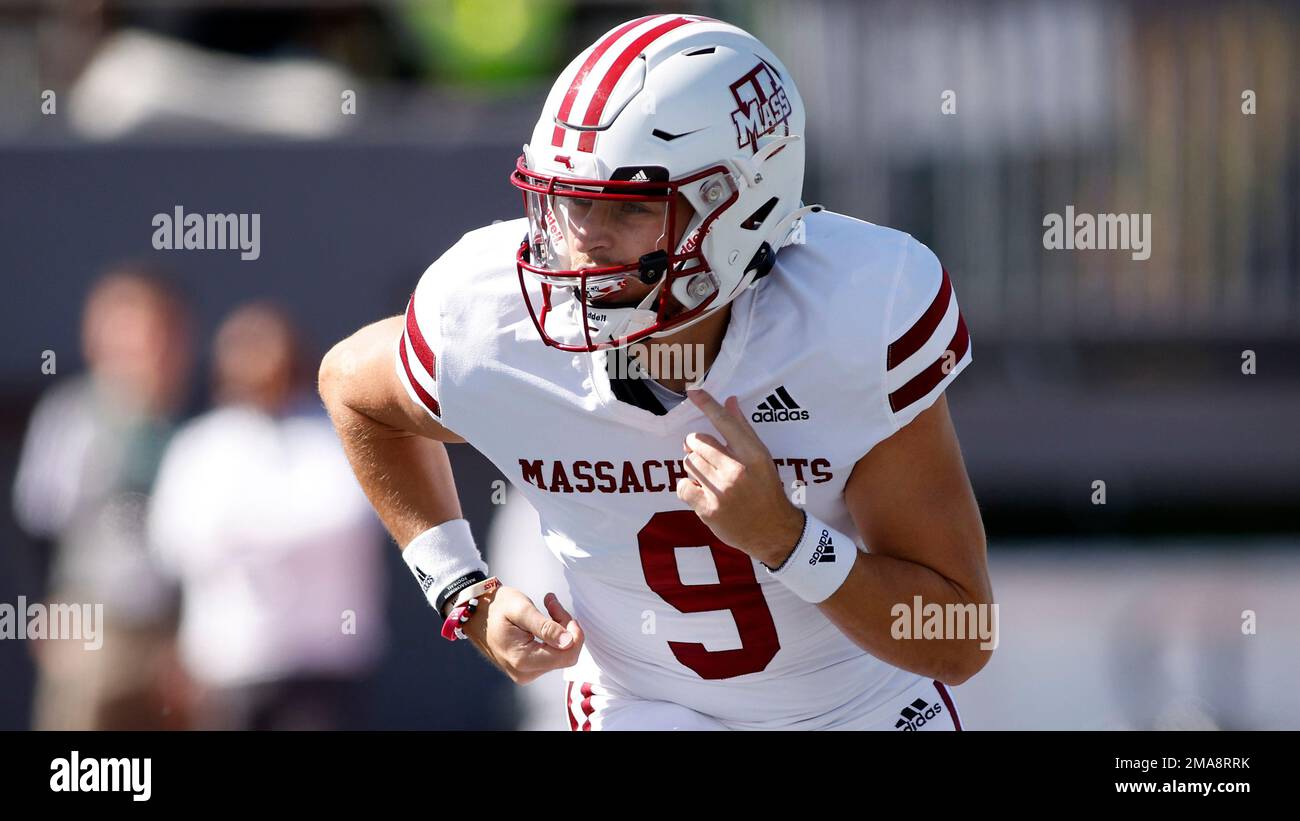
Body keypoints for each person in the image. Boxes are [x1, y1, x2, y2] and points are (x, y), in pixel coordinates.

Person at [319, 15, 992, 730]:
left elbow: (957, 636)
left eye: (631, 208)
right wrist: (462, 589)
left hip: (855, 709)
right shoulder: (490, 316)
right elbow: (354, 390)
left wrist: (787, 541)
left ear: (745, 204)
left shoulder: (853, 313)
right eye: (569, 202)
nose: (581, 245)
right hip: (642, 706)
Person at [149, 303, 386, 730]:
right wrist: (280, 526)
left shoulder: (336, 433)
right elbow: (179, 541)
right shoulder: (200, 444)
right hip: (229, 662)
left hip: (322, 663)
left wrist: (242, 532)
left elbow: (350, 517)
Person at [13, 265, 193, 730]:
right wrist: (43, 606)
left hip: (174, 633)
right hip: (91, 623)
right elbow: (36, 522)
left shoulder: (194, 424)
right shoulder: (70, 417)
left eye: (157, 335)